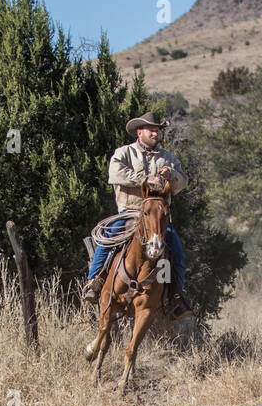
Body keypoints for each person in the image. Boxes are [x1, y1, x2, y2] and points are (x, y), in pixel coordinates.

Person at [83, 113, 195, 319]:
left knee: (176, 251)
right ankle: (95, 281)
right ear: (139, 132)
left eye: (157, 129)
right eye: (151, 129)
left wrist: (171, 176)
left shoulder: (169, 159)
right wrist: (146, 179)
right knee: (107, 239)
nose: (155, 133)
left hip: (157, 218)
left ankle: (175, 296)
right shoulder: (123, 153)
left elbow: (183, 182)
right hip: (129, 214)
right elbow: (116, 173)